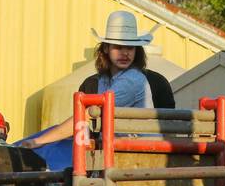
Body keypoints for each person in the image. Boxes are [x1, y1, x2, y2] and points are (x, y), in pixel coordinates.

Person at [21, 10, 165, 148]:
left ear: (136, 51)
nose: (125, 53)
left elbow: (86, 115)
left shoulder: (132, 80)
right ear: (106, 48)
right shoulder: (104, 80)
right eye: (118, 47)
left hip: (141, 154)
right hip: (118, 150)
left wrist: (40, 141)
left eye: (130, 48)